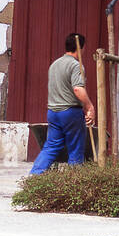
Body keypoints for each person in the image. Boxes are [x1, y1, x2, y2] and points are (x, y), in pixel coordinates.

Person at [29, 33, 97, 174]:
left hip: (53, 113)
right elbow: (78, 89)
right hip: (70, 113)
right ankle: (73, 182)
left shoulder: (54, 65)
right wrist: (89, 106)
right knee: (76, 149)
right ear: (81, 48)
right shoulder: (75, 65)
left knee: (51, 147)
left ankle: (34, 176)